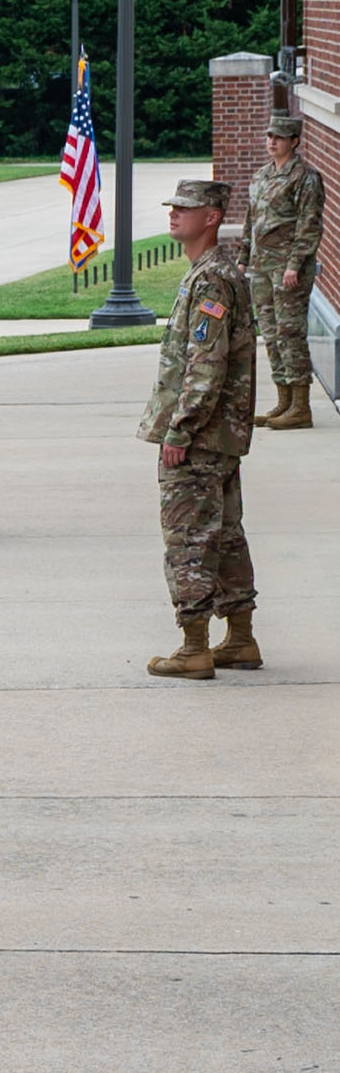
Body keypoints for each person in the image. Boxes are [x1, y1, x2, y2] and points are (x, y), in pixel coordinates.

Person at [141, 178, 263, 678]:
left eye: (185, 209)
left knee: (189, 537)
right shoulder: (209, 273)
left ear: (211, 217)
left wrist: (180, 430)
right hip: (220, 436)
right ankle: (240, 639)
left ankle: (194, 648)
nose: (175, 215)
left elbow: (204, 364)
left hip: (202, 436)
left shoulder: (212, 279)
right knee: (227, 533)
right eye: (173, 207)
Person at [246, 113, 322, 429]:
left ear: (294, 141)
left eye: (279, 137)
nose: (272, 141)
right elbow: (252, 220)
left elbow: (309, 224)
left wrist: (294, 265)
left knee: (291, 333)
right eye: (269, 136)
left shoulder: (306, 177)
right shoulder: (262, 175)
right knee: (272, 334)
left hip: (288, 269)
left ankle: (301, 407)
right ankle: (284, 401)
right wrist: (242, 257)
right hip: (261, 265)